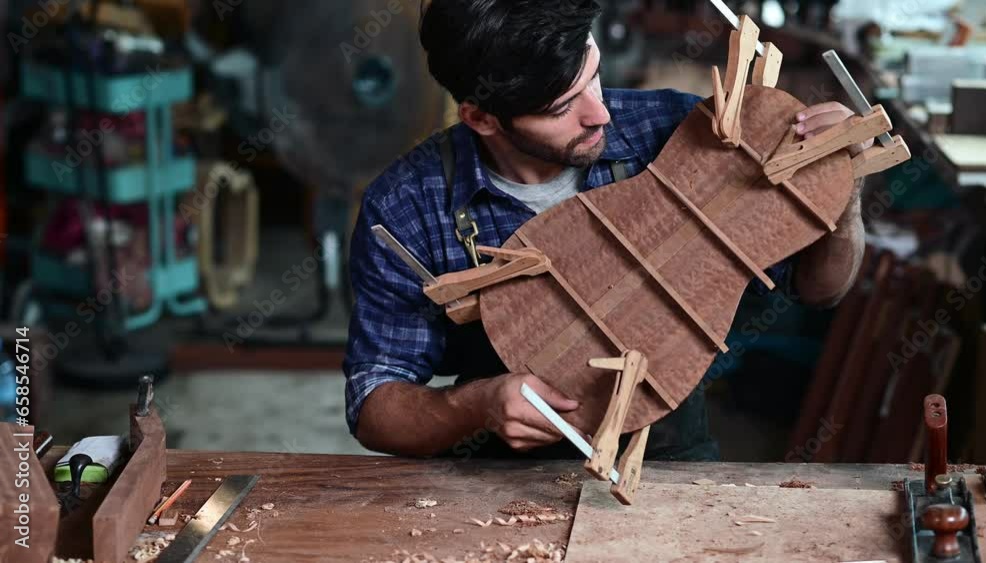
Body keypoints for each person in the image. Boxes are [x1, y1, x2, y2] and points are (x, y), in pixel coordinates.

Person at [344, 0, 869, 461]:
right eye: (561, 107)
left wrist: (843, 190)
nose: (600, 114)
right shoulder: (407, 205)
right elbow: (373, 404)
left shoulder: (685, 133)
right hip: (494, 471)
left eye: (592, 74)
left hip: (667, 463)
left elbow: (821, 290)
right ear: (482, 119)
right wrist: (476, 406)